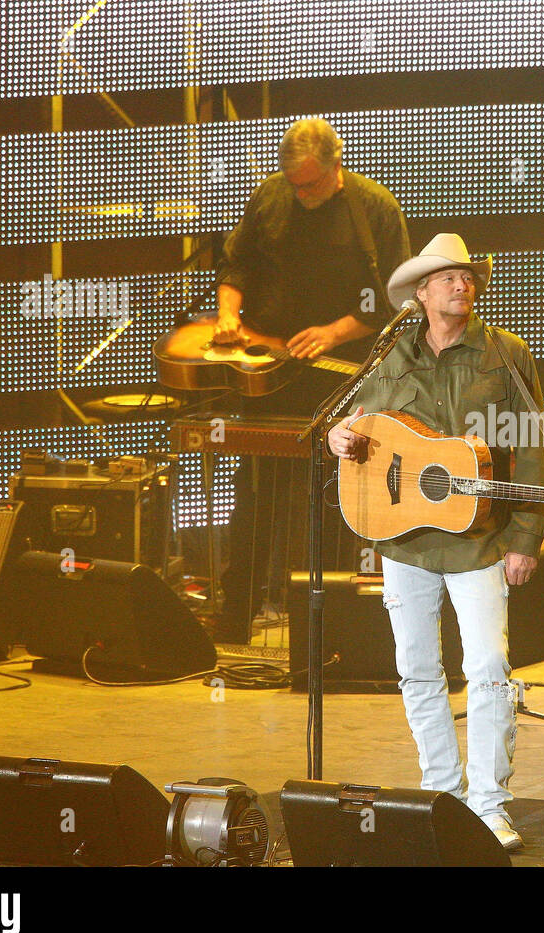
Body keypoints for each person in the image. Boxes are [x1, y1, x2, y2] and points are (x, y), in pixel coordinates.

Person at [327, 234, 544, 851]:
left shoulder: (506, 354)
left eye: (467, 277)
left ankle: (489, 805)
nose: (461, 285)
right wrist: (338, 438)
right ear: (421, 292)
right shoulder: (391, 353)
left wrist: (526, 535)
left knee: (487, 670)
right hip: (405, 542)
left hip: (480, 540)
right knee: (417, 671)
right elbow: (358, 427)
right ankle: (439, 796)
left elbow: (531, 447)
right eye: (447, 277)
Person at [213, 117, 410, 640]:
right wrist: (228, 315)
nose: (301, 194)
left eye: (311, 184)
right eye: (294, 183)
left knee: (331, 493)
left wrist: (333, 331)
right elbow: (236, 267)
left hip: (339, 374)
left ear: (335, 168)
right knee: (256, 491)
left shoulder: (375, 209)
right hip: (268, 371)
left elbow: (396, 298)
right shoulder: (272, 196)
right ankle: (237, 615)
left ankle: (325, 626)